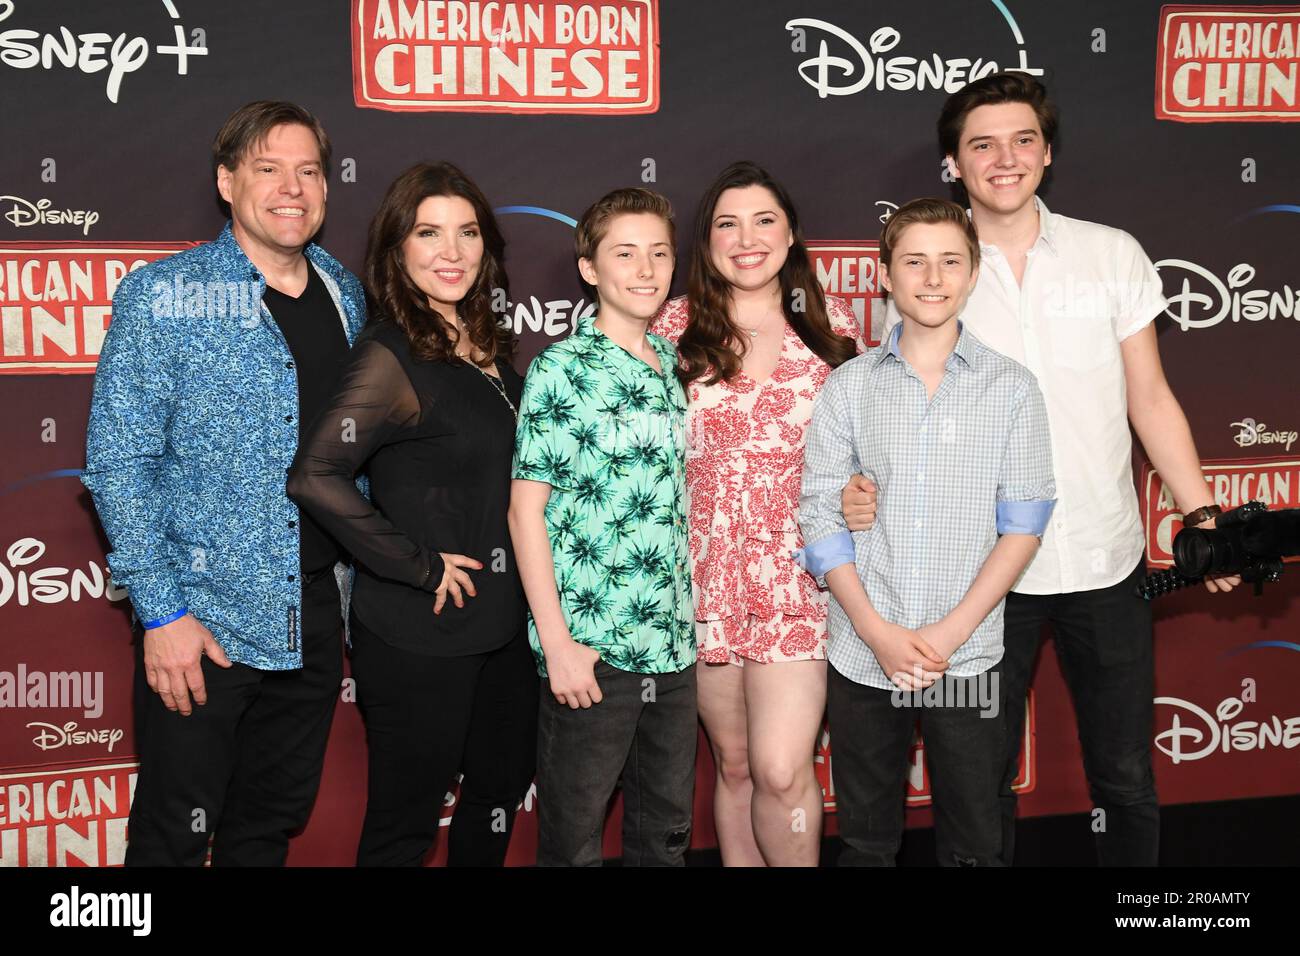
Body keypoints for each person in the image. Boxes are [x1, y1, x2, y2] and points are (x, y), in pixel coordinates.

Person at [841, 72, 1239, 866]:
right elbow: (884, 409)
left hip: (1105, 559)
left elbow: (1151, 399)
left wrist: (1204, 518)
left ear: (1047, 152)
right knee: (972, 781)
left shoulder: (1109, 254)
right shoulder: (932, 266)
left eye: (1023, 139)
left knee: (1125, 772)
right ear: (953, 164)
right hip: (973, 582)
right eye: (981, 144)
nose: (1004, 158)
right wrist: (859, 487)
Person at [83, 101, 366, 866]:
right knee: (175, 838)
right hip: (202, 623)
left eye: (308, 171)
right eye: (268, 168)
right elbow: (117, 465)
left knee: (263, 830)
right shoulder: (164, 294)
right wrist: (163, 614)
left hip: (310, 613)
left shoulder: (345, 293)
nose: (292, 188)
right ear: (227, 181)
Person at [287, 162, 536, 867]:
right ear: (398, 250)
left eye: (467, 233)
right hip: (420, 632)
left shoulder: (489, 349)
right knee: (405, 827)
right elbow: (315, 474)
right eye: (429, 233)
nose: (451, 252)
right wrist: (418, 566)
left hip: (505, 628)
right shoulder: (390, 352)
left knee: (494, 801)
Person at [801, 197, 1056, 866]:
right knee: (863, 840)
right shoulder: (849, 388)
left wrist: (948, 634)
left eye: (951, 261)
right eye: (914, 261)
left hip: (965, 657)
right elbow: (822, 515)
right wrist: (877, 632)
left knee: (975, 837)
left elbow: (1023, 527)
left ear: (973, 274)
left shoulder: (1013, 389)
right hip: (863, 654)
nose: (933, 277)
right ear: (885, 273)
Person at [650, 160, 865, 866]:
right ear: (706, 242)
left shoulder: (834, 331)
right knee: (735, 764)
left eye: (764, 219)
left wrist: (866, 495)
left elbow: (874, 453)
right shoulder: (669, 328)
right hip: (701, 581)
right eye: (727, 223)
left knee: (780, 767)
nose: (747, 238)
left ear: (792, 233)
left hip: (800, 581)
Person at [508, 187, 696, 866]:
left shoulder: (673, 363)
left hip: (673, 646)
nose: (645, 270)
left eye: (658, 254)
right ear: (590, 268)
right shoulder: (562, 369)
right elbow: (524, 509)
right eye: (625, 253)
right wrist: (557, 642)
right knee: (574, 843)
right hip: (594, 651)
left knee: (665, 837)